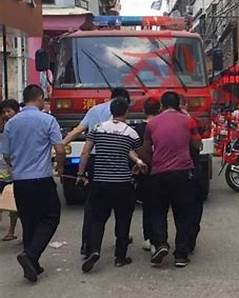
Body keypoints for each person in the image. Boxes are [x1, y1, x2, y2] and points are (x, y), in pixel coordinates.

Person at [2, 85, 65, 282]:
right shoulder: (48, 120)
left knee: (29, 220)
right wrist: (60, 168)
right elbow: (60, 150)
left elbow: (6, 154)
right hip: (41, 179)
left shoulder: (11, 123)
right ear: (39, 98)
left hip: (20, 181)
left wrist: (18, 167)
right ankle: (30, 255)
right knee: (51, 216)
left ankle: (32, 264)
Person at [77, 97, 147, 273]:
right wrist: (138, 162)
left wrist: (80, 173)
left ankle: (94, 250)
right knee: (123, 220)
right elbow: (133, 151)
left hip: (100, 182)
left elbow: (85, 152)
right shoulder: (130, 132)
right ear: (126, 112)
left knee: (97, 219)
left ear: (111, 111)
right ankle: (120, 257)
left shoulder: (97, 128)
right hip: (123, 184)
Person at [62, 87, 131, 257]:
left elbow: (78, 130)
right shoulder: (121, 115)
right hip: (117, 162)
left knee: (93, 205)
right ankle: (121, 248)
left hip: (94, 162)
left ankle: (88, 245)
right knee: (121, 206)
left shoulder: (95, 110)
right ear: (124, 102)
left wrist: (60, 145)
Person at [140, 91, 201, 268]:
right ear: (178, 104)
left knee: (158, 211)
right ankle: (181, 255)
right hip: (183, 173)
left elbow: (145, 150)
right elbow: (197, 144)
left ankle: (160, 244)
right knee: (183, 214)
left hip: (159, 173)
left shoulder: (152, 123)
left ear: (162, 105)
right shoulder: (188, 121)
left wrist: (153, 163)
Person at [134, 99, 161, 252]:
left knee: (147, 206)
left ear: (144, 110)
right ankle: (158, 238)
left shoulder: (137, 129)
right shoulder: (162, 126)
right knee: (159, 206)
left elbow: (134, 150)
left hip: (144, 171)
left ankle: (148, 238)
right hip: (161, 170)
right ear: (159, 109)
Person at [0, 99, 20, 241]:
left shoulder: (18, 127)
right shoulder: (4, 127)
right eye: (4, 112)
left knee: (14, 204)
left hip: (14, 172)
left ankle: (12, 230)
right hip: (3, 171)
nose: (6, 114)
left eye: (9, 111)